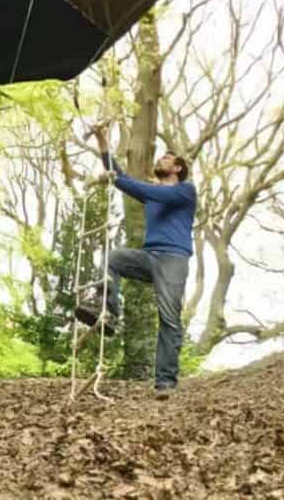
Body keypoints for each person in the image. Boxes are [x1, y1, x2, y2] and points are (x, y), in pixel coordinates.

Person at [75, 124, 196, 399]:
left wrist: (117, 178)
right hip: (149, 256)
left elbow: (135, 185)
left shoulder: (185, 191)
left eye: (166, 159)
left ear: (177, 168)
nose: (160, 161)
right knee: (114, 258)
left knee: (169, 318)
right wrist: (103, 143)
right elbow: (121, 178)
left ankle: (165, 382)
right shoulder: (152, 194)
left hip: (174, 259)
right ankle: (108, 312)